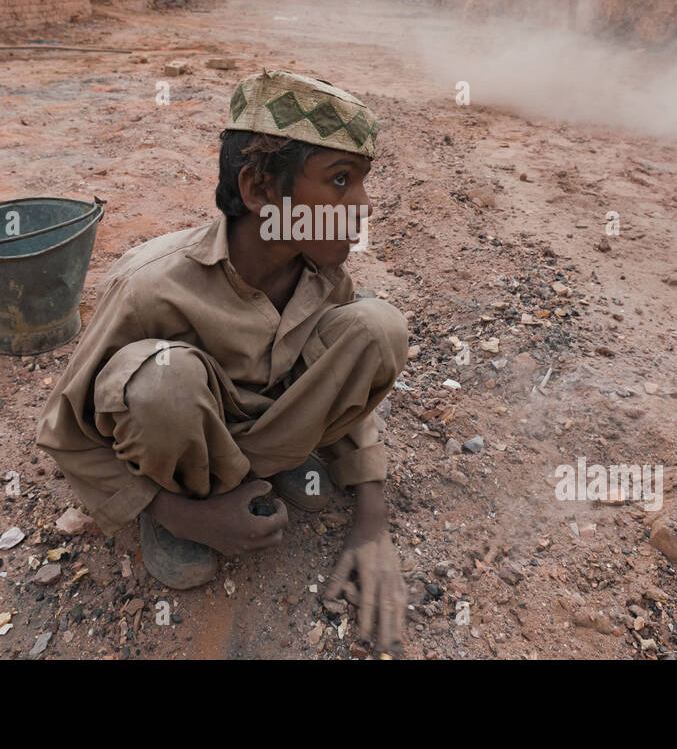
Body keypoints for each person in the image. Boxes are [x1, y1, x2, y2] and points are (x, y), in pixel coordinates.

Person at [37, 68, 409, 652]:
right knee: (163, 382)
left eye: (362, 183)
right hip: (177, 453)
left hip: (262, 432)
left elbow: (345, 382)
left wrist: (371, 516)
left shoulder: (321, 273)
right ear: (260, 188)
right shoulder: (150, 285)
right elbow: (64, 434)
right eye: (340, 182)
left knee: (376, 327)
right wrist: (172, 513)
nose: (360, 207)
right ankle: (195, 499)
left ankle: (267, 465)